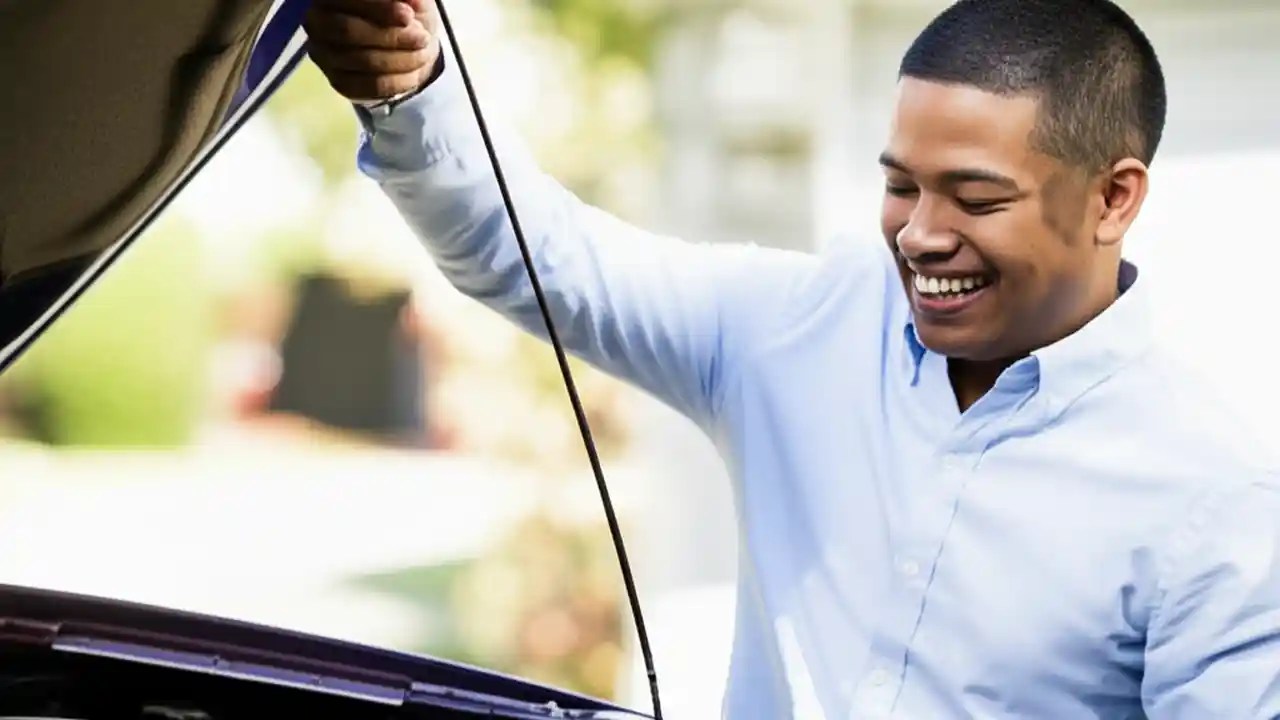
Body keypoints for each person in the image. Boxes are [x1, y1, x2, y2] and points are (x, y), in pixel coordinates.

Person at [304, 0, 1280, 717]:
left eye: (974, 199)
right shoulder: (798, 328)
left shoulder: (1211, 501)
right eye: (900, 186)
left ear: (1112, 199)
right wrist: (410, 91)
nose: (920, 236)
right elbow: (536, 255)